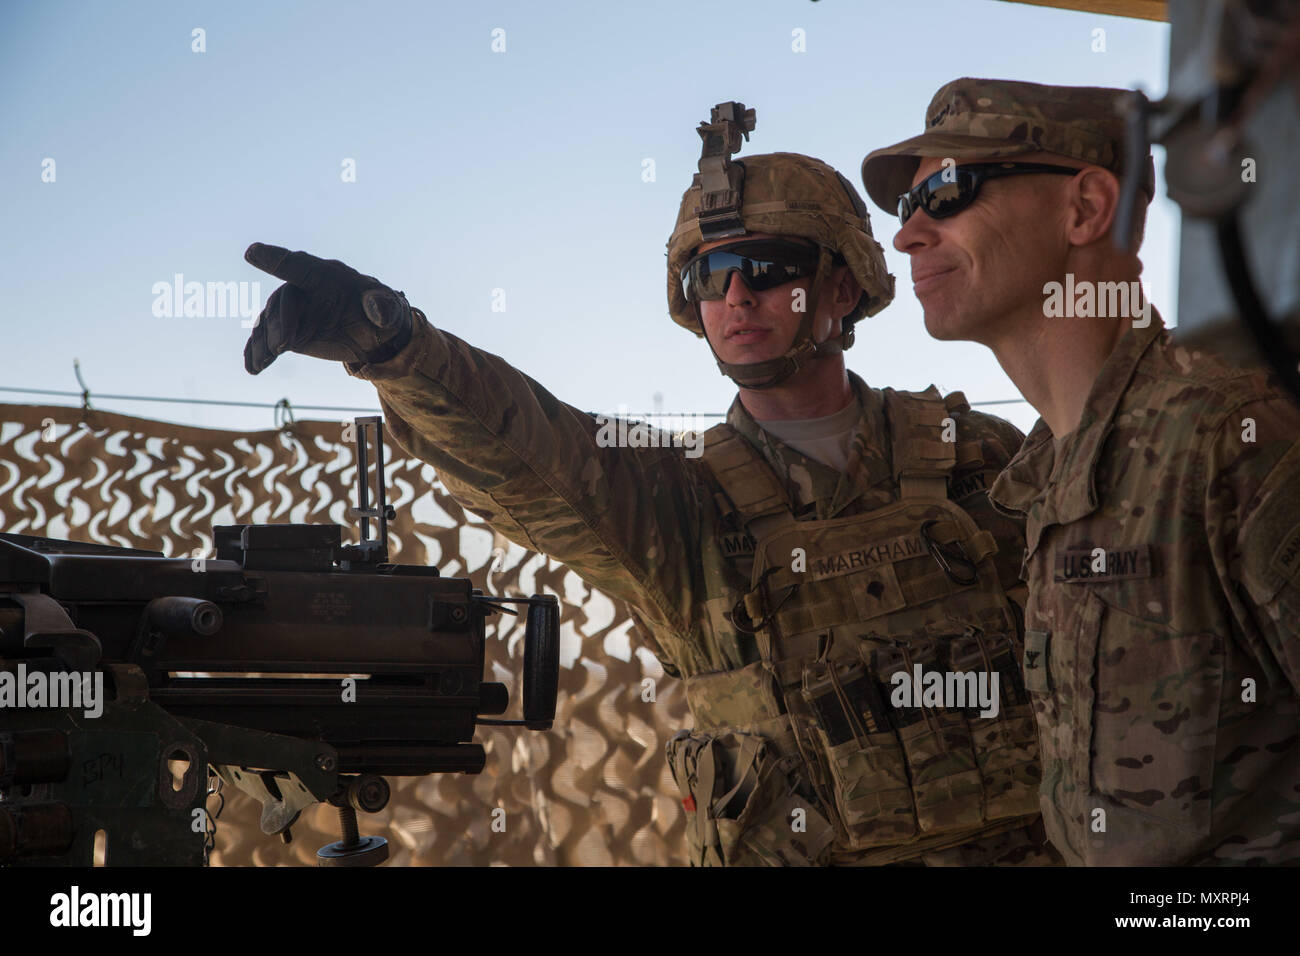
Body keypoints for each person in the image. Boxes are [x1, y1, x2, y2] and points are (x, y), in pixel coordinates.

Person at [242, 102, 1060, 866]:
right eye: (710, 278)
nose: (737, 295)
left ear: (840, 287)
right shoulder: (674, 503)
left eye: (766, 267)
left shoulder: (978, 456)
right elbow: (528, 453)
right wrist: (392, 344)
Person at [862, 76, 1300, 866]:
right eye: (906, 208)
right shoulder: (1043, 480)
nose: (909, 236)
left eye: (948, 192)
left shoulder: (1227, 435)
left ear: (1086, 209)